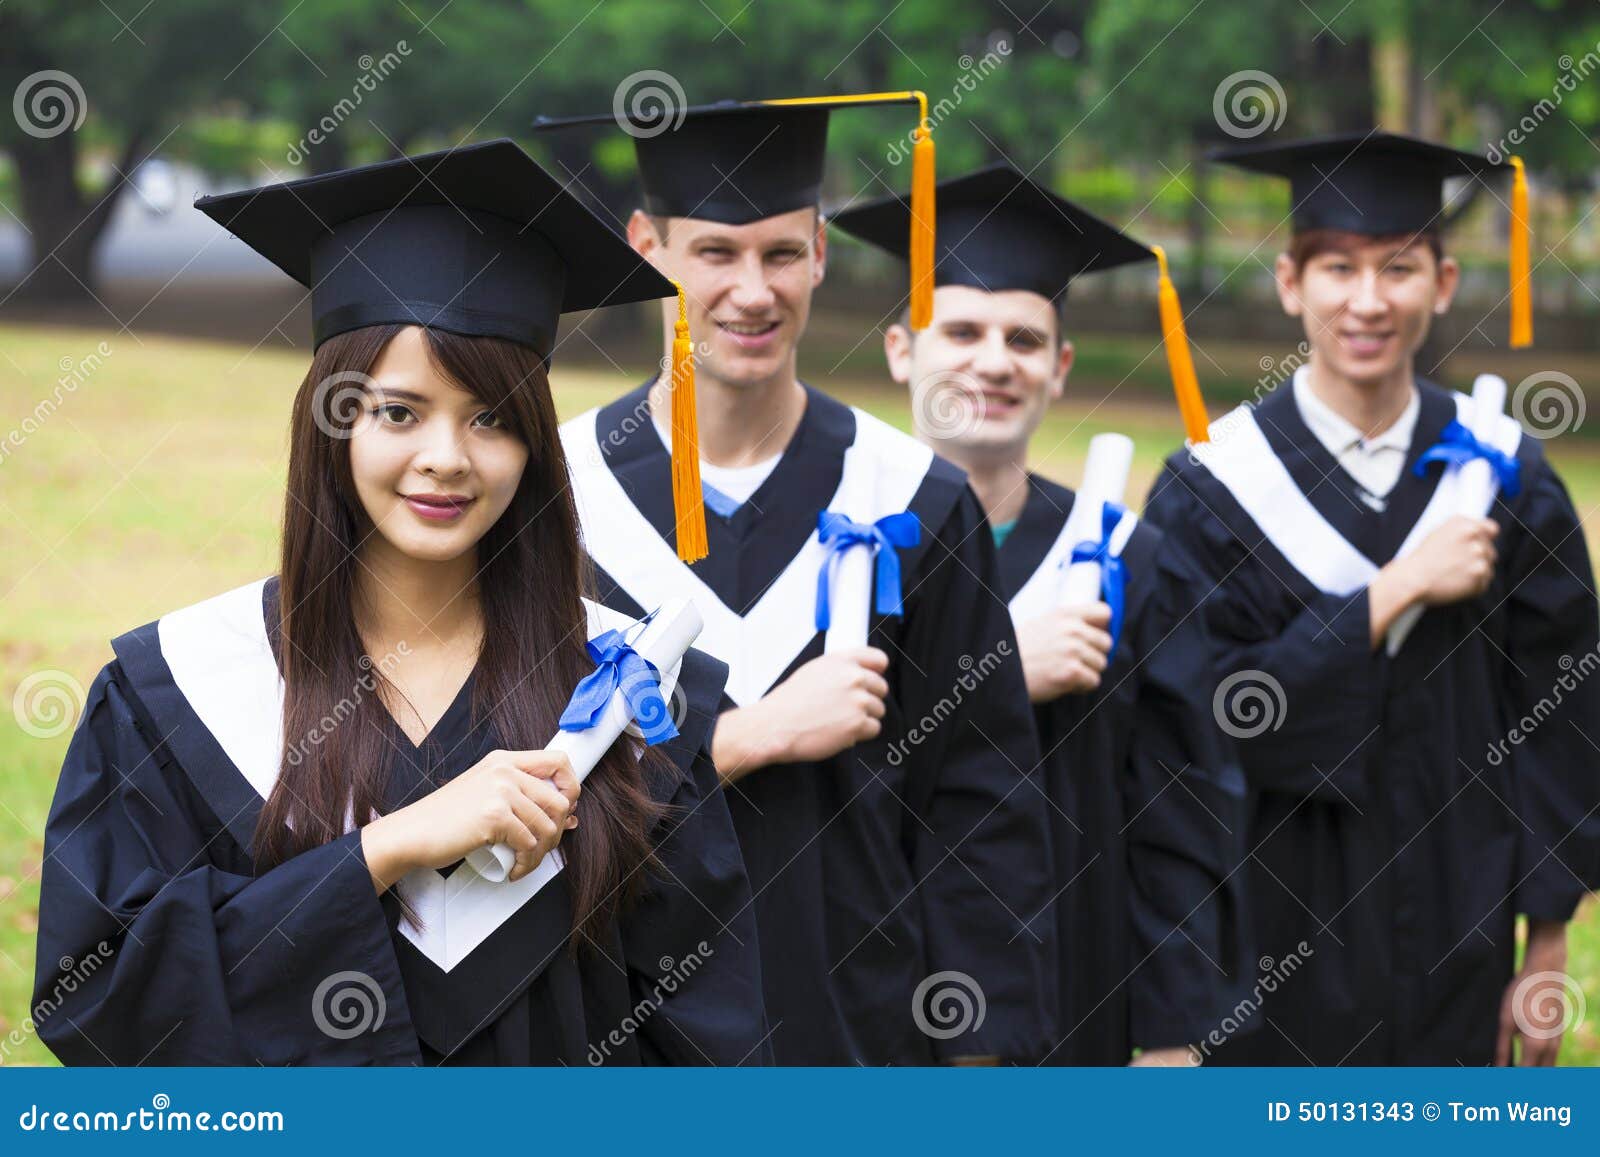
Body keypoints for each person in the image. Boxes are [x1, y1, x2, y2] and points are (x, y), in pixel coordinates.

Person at [31, 140, 770, 1066]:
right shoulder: (180, 690)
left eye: (491, 417)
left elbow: (708, 1039)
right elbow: (99, 1001)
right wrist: (383, 852)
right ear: (332, 423)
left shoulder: (628, 698)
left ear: (534, 446)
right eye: (398, 411)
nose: (447, 458)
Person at [533, 97, 1057, 1064]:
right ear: (647, 246)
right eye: (716, 253)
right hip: (614, 1025)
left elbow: (981, 801)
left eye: (781, 253)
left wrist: (979, 1045)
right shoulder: (555, 498)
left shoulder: (914, 500)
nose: (754, 290)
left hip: (856, 1026)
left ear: (819, 252)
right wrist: (748, 735)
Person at [1144, 131, 1600, 1065]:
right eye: (1338, 268)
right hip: (1268, 939)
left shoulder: (1506, 477)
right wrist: (1390, 594)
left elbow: (1563, 718)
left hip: (1460, 937)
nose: (1367, 299)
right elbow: (1204, 726)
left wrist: (1548, 937)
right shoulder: (1212, 489)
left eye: (1398, 268)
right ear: (1290, 284)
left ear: (1443, 282)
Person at [832, 163, 1251, 1066]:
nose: (994, 361)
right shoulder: (842, 547)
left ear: (1060, 368)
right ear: (902, 349)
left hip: (1076, 989)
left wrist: (1173, 1034)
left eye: (1024, 338)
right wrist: (999, 672)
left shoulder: (1128, 558)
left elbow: (1178, 818)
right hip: (872, 992)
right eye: (962, 331)